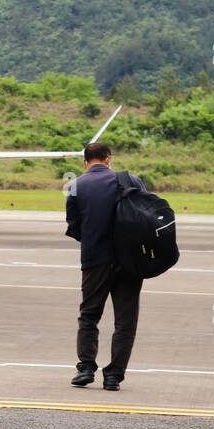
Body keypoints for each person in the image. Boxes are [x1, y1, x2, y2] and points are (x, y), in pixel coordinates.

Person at [66, 141, 146, 392]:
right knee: (125, 320)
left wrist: (93, 236)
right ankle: (114, 375)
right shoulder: (132, 180)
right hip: (130, 262)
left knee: (89, 315)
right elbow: (146, 215)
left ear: (85, 162)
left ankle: (86, 367)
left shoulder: (76, 185)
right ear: (109, 159)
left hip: (95, 261)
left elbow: (74, 227)